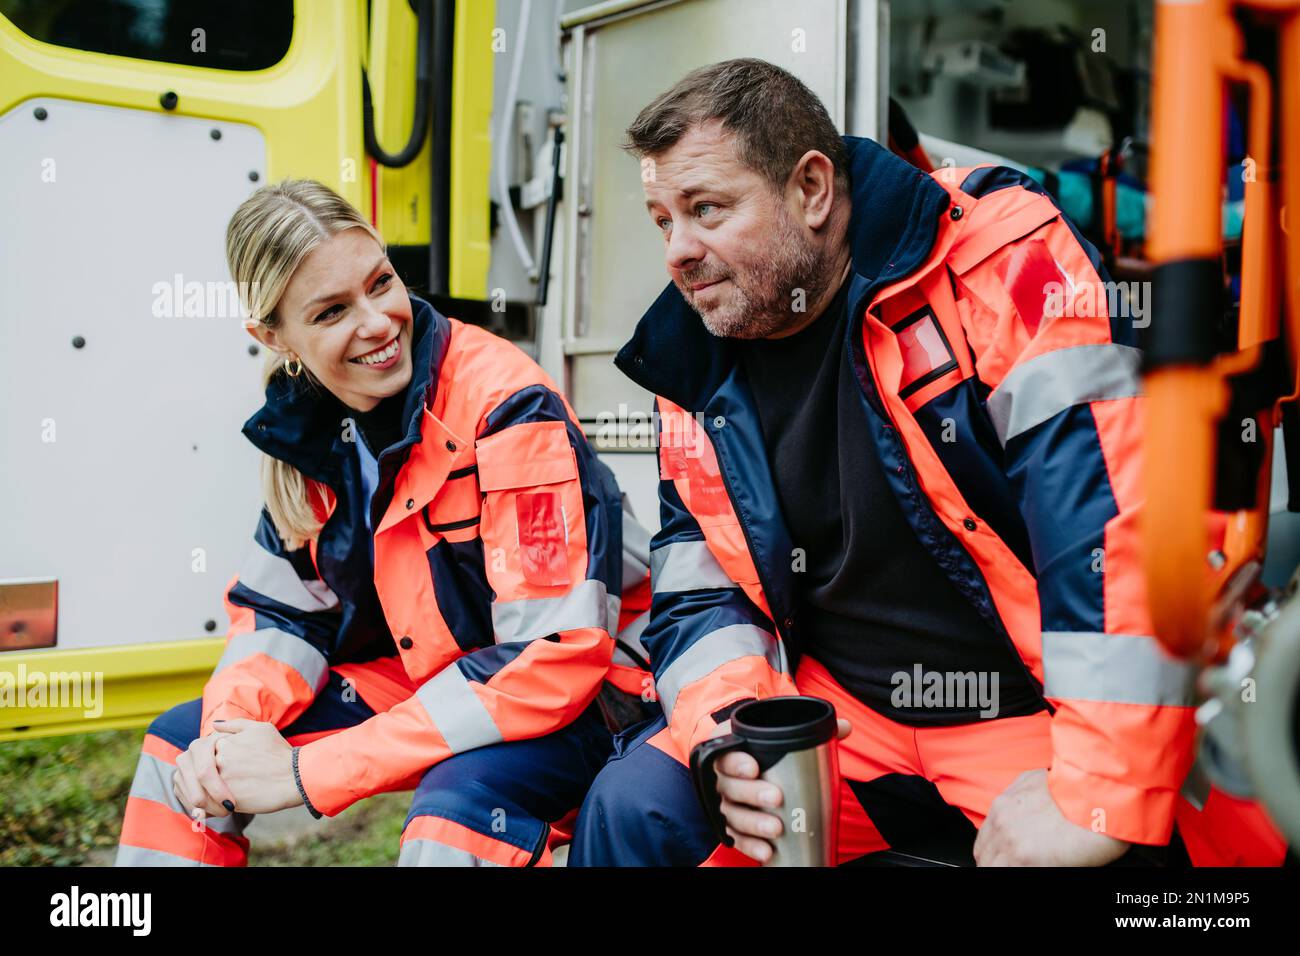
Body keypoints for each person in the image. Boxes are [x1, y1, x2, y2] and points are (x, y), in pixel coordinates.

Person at [569, 58, 1286, 866]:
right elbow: (699, 593)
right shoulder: (690, 358)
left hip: (1030, 715)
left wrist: (1098, 793)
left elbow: (1113, 524)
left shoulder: (999, 253)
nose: (678, 252)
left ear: (811, 190)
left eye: (707, 210)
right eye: (662, 220)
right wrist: (729, 733)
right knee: (635, 810)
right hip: (841, 721)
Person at [115, 179, 651, 867]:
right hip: (440, 676)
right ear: (272, 336)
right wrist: (228, 737)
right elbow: (283, 614)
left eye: (381, 282)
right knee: (179, 755)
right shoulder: (305, 427)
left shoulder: (507, 406)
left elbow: (551, 653)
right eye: (334, 310)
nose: (377, 323)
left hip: (596, 684)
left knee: (455, 820)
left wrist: (311, 772)